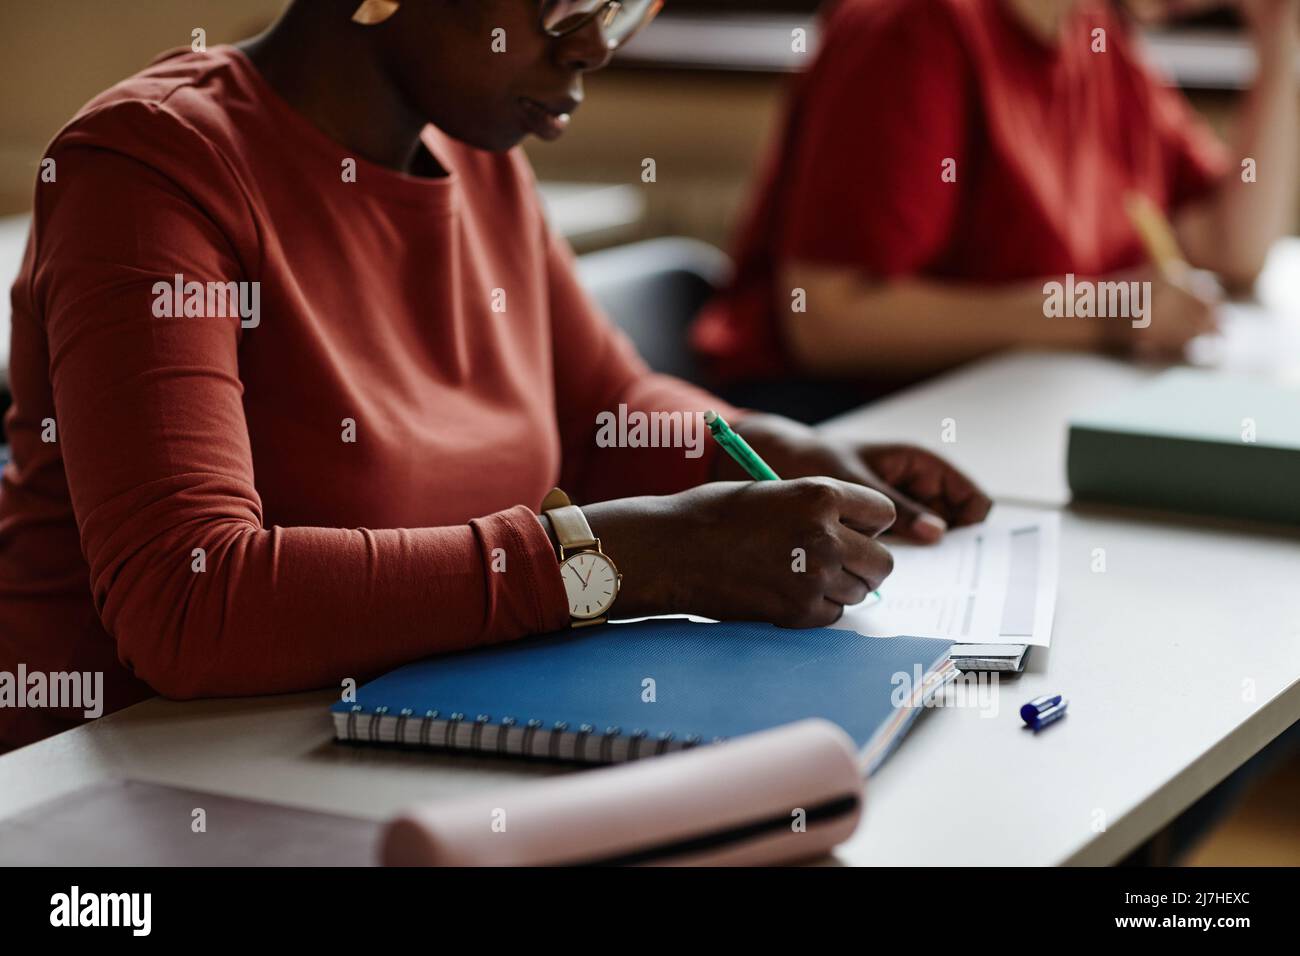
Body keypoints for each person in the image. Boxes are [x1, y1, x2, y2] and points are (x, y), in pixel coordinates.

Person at [0, 0, 991, 752]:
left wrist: (786, 449)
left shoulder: (476, 157)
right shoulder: (148, 170)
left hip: (385, 737)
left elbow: (609, 413)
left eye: (625, 3)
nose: (595, 43)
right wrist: (628, 561)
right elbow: (190, 601)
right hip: (129, 770)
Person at [691, 0, 1300, 420]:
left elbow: (1232, 245)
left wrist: (1279, 43)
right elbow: (829, 321)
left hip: (1001, 414)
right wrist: (1110, 313)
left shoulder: (1095, 40)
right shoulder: (912, 30)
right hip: (839, 427)